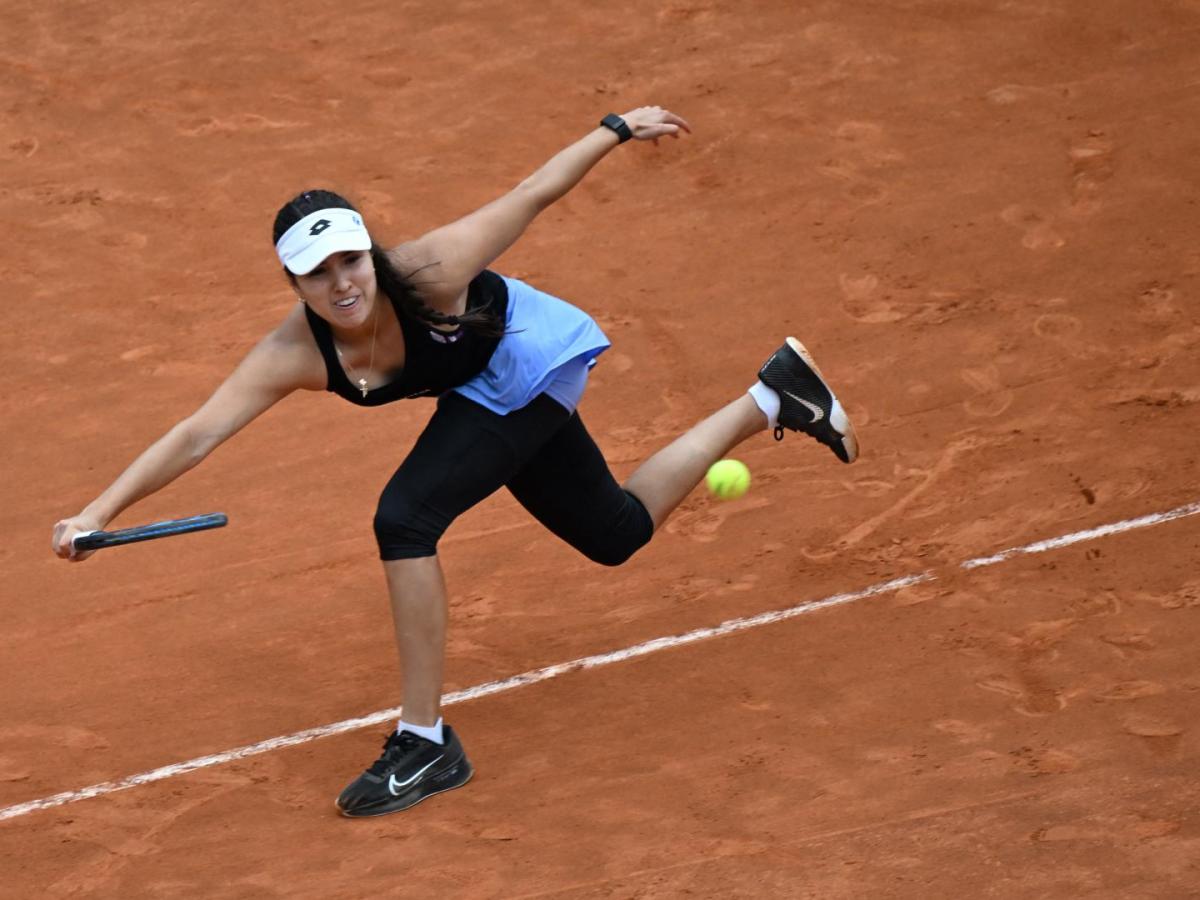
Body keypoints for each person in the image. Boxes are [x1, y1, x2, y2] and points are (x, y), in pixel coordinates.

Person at [51, 106, 859, 818]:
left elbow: (530, 195)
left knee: (404, 516)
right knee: (613, 533)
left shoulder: (429, 270)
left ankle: (424, 738)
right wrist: (98, 511)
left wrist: (613, 130)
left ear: (371, 252)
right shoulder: (292, 352)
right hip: (483, 393)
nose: (341, 284)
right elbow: (196, 433)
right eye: (317, 272)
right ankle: (773, 398)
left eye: (350, 261)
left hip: (528, 355)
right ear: (292, 283)